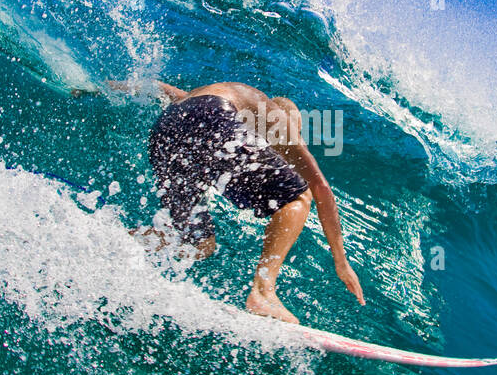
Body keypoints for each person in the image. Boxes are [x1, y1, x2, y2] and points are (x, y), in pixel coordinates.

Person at [111, 80, 364, 324]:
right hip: (213, 118)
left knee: (198, 245)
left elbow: (159, 88)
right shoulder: (274, 118)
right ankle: (263, 292)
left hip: (166, 131)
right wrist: (341, 262)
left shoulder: (229, 95)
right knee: (299, 195)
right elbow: (321, 188)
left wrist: (103, 86)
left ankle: (117, 239)